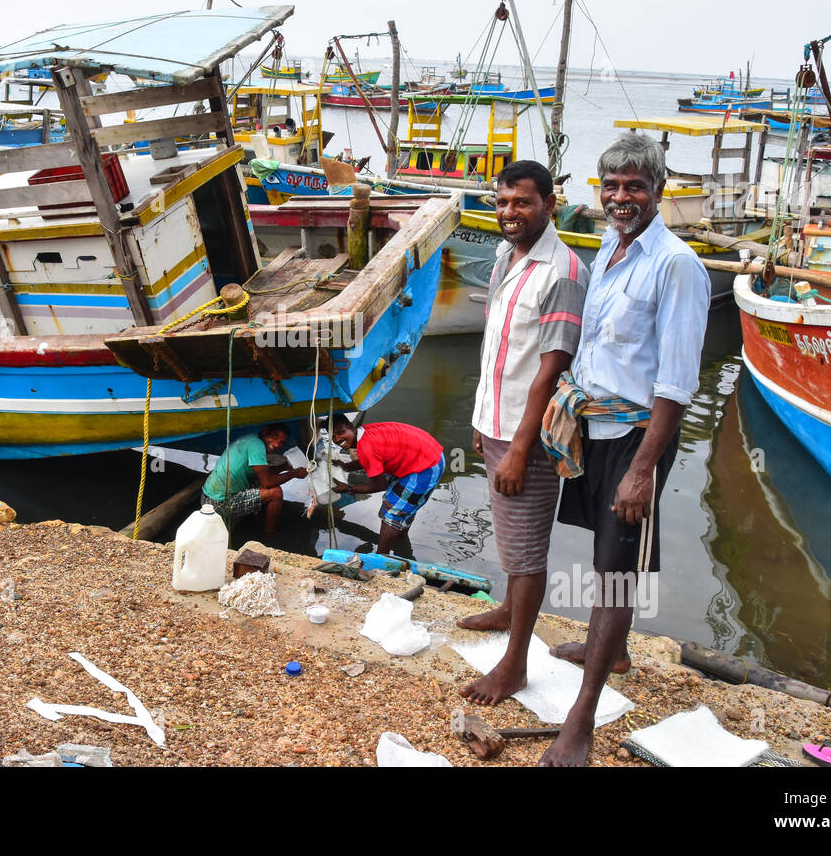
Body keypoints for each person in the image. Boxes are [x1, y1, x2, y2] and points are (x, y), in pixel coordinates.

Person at [537, 133, 710, 767]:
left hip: (637, 439)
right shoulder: (612, 245)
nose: (620, 197)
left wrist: (643, 472)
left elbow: (675, 382)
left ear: (658, 191)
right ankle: (615, 649)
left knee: (616, 572)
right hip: (595, 425)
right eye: (610, 186)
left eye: (634, 186)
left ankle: (581, 718)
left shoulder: (676, 265)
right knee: (604, 550)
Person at [456, 159, 589, 706]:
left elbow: (552, 369)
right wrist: (479, 419)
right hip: (495, 423)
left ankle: (515, 665)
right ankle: (510, 610)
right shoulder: (504, 259)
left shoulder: (562, 271)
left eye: (523, 202)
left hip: (525, 436)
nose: (509, 212)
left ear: (549, 205)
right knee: (510, 536)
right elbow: (498, 350)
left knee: (527, 550)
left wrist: (518, 448)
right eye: (503, 201)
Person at [330, 415, 445, 556]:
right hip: (428, 455)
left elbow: (379, 484)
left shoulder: (366, 446)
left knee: (392, 510)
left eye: (341, 432)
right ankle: (400, 542)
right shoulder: (364, 433)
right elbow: (371, 458)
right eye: (333, 437)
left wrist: (348, 488)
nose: (337, 439)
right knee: (404, 507)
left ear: (350, 425)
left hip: (426, 466)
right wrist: (347, 467)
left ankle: (381, 559)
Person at [201, 424, 306, 535]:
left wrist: (283, 467)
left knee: (260, 484)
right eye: (274, 437)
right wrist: (293, 474)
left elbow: (262, 475)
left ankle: (257, 518)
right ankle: (269, 536)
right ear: (265, 431)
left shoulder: (251, 439)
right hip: (219, 502)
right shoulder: (257, 445)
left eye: (281, 442)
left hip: (208, 495)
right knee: (276, 493)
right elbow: (267, 482)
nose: (276, 444)